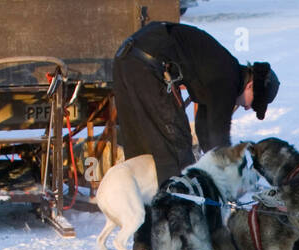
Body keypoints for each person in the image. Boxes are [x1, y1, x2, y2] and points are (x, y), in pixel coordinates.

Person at [112, 21, 279, 183]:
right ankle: (178, 203)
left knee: (139, 143)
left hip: (125, 59)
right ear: (250, 85)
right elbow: (218, 135)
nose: (247, 107)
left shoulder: (222, 69)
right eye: (253, 102)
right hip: (146, 64)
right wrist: (230, 175)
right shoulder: (228, 79)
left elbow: (205, 130)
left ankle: (143, 202)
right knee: (176, 146)